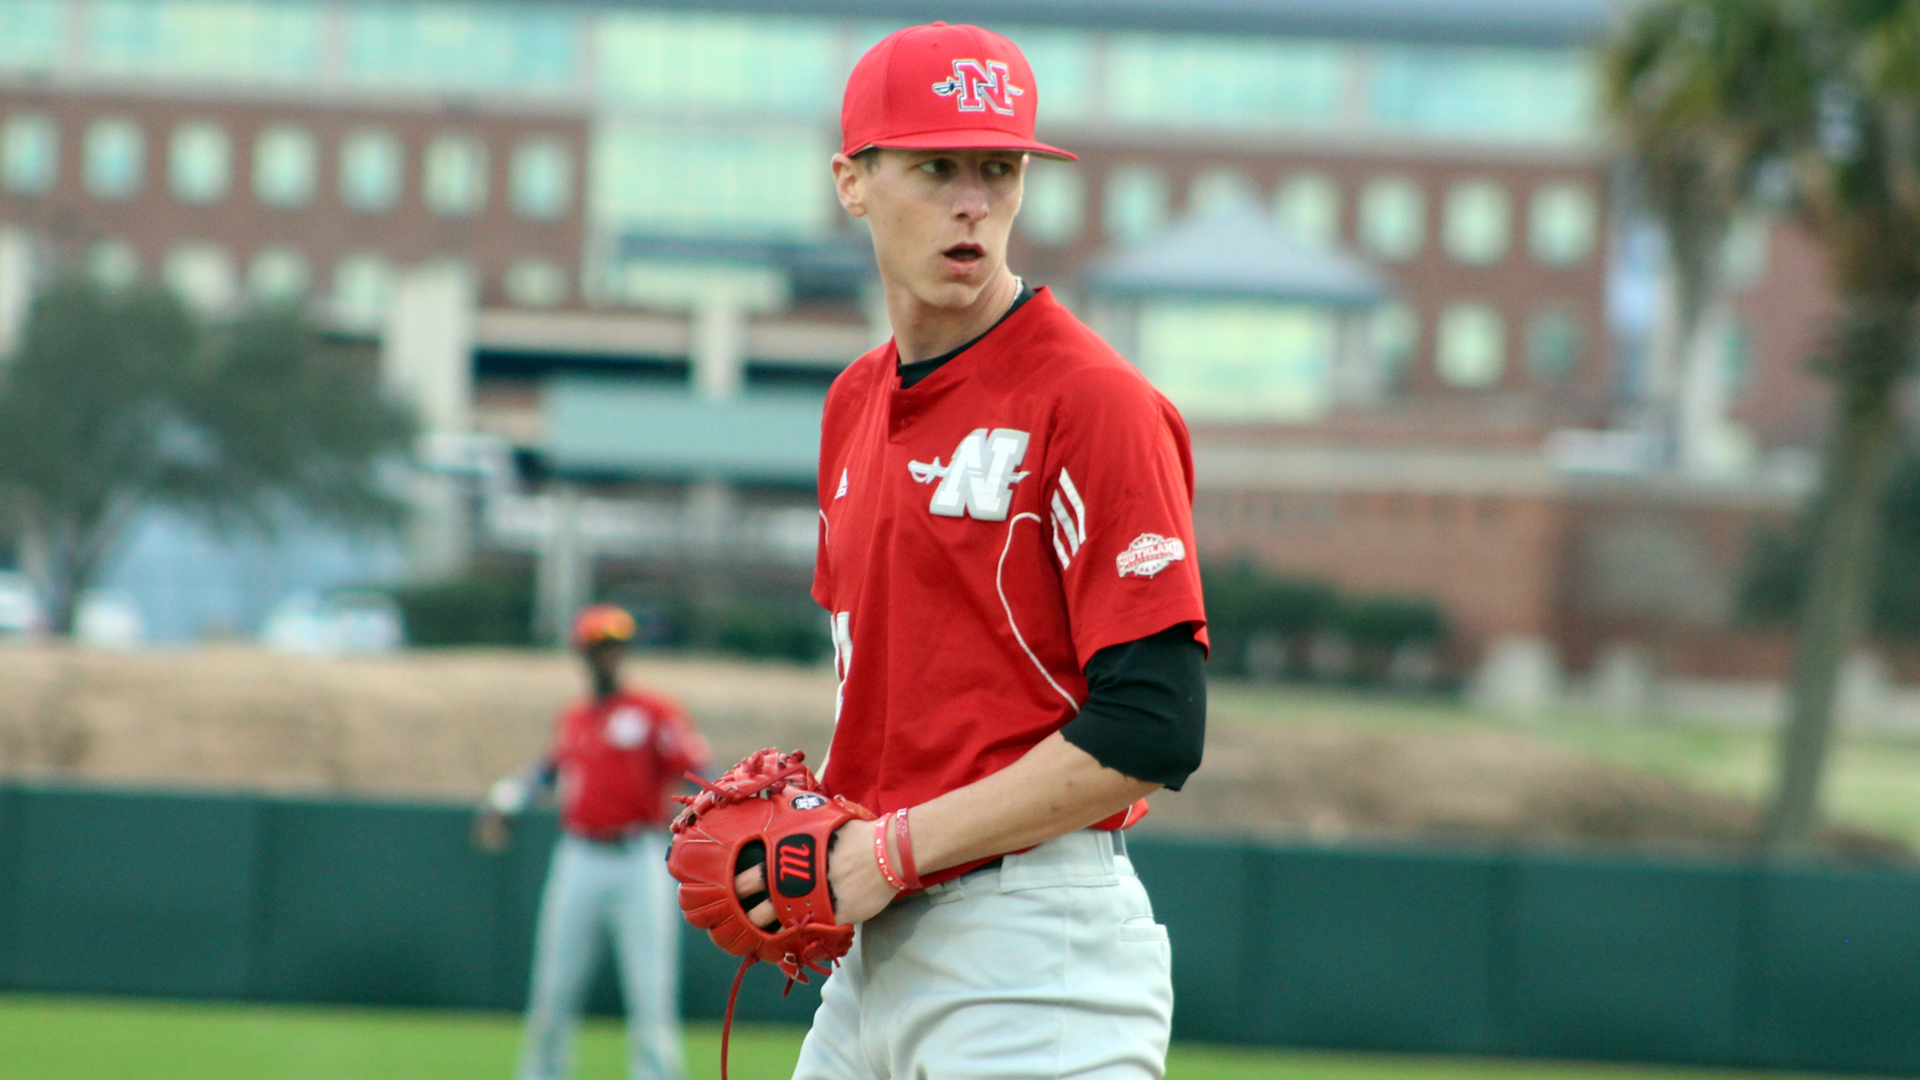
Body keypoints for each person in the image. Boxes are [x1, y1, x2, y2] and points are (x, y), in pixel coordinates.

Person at [729, 22, 1209, 1080]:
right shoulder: (852, 403)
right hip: (879, 956)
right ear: (853, 183)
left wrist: (889, 849)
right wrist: (825, 833)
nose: (973, 200)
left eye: (999, 168)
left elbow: (1156, 724)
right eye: (935, 166)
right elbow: (911, 696)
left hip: (1037, 953)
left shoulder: (1095, 402)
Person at [477, 603, 711, 1080]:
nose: (606, 657)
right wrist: (507, 800)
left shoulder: (653, 712)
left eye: (614, 647)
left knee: (650, 987)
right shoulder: (575, 718)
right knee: (553, 985)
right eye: (597, 648)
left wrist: (721, 805)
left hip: (637, 855)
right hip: (580, 855)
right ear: (583, 655)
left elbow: (696, 768)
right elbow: (547, 771)